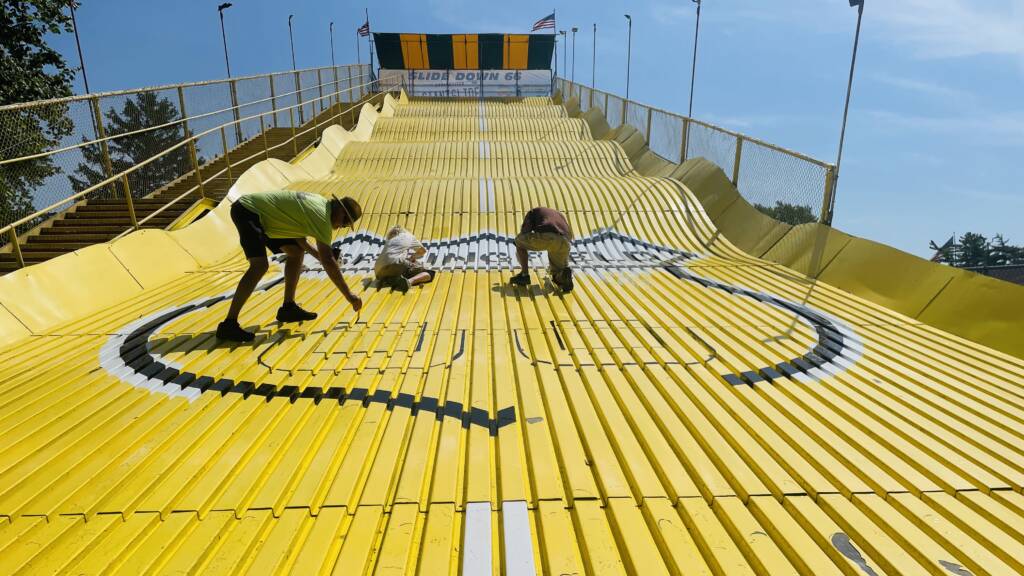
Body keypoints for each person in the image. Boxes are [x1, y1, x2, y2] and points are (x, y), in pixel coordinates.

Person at [216, 190, 363, 342]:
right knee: (259, 266)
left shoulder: (320, 205)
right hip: (249, 211)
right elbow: (327, 260)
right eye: (345, 223)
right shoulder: (322, 217)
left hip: (263, 216)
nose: (340, 227)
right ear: (340, 211)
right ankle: (229, 324)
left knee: (295, 252)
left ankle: (288, 308)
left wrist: (320, 257)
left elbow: (300, 239)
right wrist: (349, 295)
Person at [510, 206, 574, 292]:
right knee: (557, 271)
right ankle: (561, 276)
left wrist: (520, 242)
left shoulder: (532, 212)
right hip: (565, 241)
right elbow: (569, 233)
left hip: (548, 237)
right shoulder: (558, 214)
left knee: (519, 241)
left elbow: (525, 231)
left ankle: (524, 275)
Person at [375, 225, 436, 292]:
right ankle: (409, 282)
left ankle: (390, 279)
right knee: (429, 273)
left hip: (378, 272)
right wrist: (413, 257)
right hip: (395, 264)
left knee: (400, 269)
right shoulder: (408, 235)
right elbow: (422, 251)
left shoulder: (390, 239)